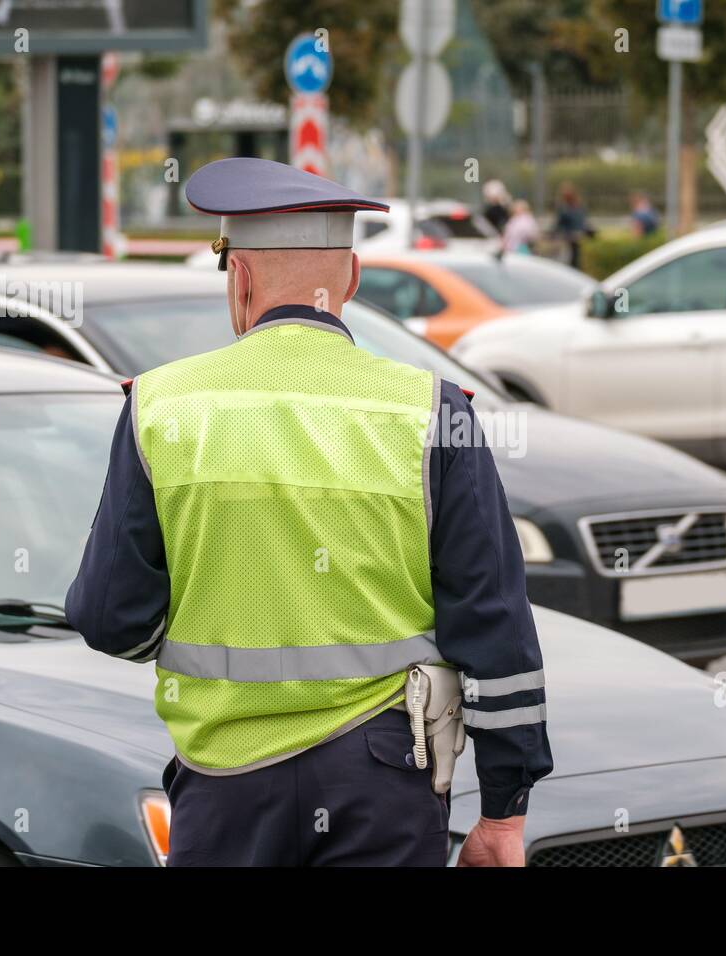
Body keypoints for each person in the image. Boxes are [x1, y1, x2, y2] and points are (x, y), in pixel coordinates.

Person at [65, 157, 553, 867]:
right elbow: (496, 627)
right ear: (350, 279)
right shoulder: (432, 413)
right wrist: (505, 813)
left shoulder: (159, 408)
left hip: (226, 790)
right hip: (385, 785)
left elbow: (111, 618)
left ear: (241, 277)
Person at [552, 182, 593, 269]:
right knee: (575, 261)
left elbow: (559, 224)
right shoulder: (578, 205)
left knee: (571, 262)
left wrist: (553, 234)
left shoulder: (565, 208)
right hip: (577, 238)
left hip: (570, 239)